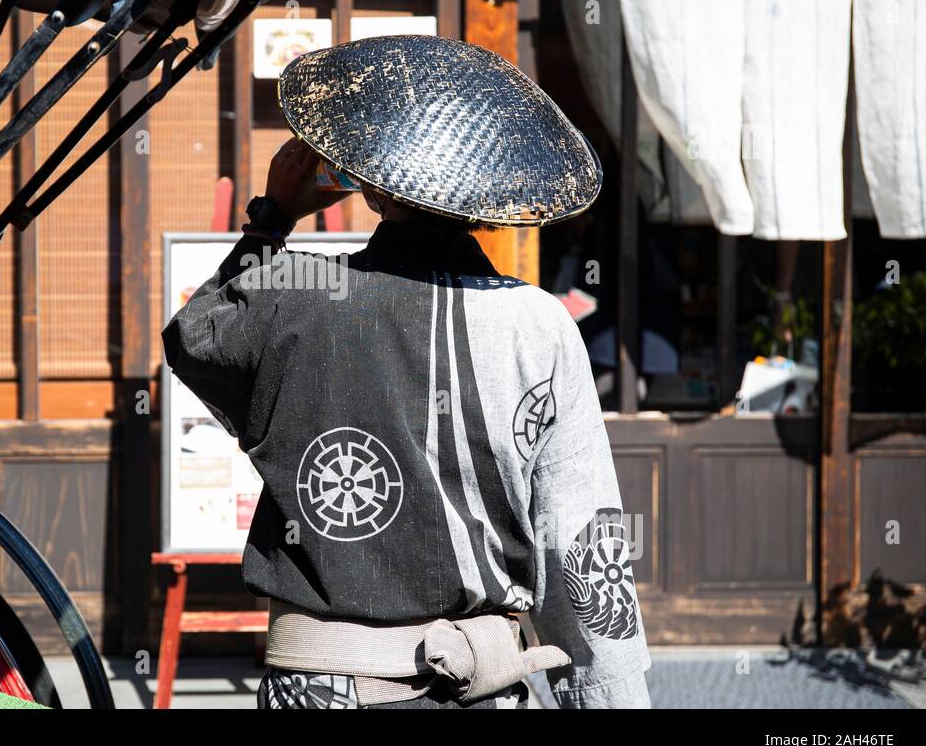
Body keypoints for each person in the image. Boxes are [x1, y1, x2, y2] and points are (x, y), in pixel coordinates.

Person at [162, 36, 651, 709]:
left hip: (317, 687)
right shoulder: (538, 325)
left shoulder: (293, 292)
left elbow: (196, 338)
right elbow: (580, 537)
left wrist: (272, 220)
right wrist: (609, 698)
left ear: (369, 184)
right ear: (490, 204)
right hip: (480, 688)